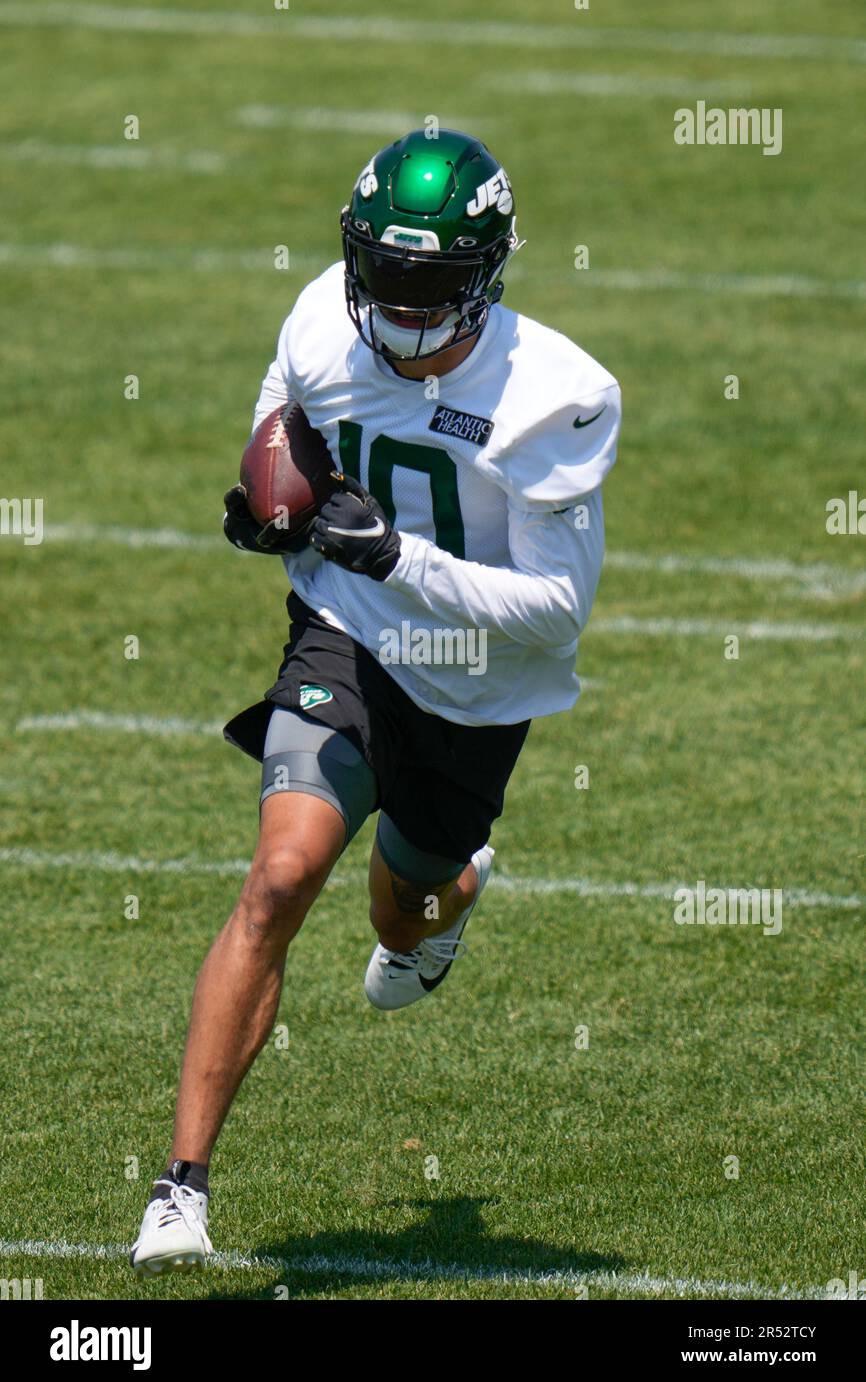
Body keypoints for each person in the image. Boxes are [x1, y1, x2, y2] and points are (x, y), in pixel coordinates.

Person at [131, 128, 621, 1275]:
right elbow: (283, 404)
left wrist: (394, 553)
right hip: (345, 636)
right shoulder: (317, 319)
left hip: (476, 686)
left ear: (488, 276)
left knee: (401, 914)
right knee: (282, 872)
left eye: (433, 285)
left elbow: (554, 608)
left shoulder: (558, 393)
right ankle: (179, 1188)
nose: (401, 309)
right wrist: (268, 494)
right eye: (384, 277)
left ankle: (447, 890)